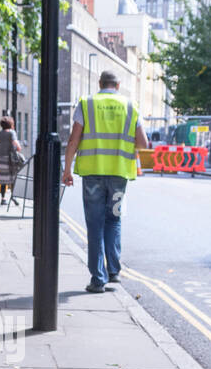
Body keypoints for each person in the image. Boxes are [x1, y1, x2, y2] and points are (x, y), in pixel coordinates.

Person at [62, 71, 148, 293]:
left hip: (92, 173)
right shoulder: (131, 107)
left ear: (99, 84)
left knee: (95, 225)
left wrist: (67, 169)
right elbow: (143, 143)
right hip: (119, 175)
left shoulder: (87, 104)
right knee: (114, 220)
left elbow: (74, 139)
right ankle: (113, 272)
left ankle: (98, 279)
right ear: (118, 85)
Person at [0, 116, 23, 206]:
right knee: (13, 178)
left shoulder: (0, 133)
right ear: (11, 124)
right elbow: (17, 145)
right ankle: (13, 196)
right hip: (10, 160)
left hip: (1, 159)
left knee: (3, 180)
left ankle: (3, 199)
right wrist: (18, 148)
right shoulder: (12, 133)